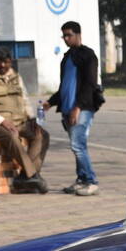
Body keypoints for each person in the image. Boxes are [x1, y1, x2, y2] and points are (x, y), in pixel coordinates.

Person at [0, 47, 48, 192]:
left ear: (10, 62)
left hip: (17, 121)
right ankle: (32, 175)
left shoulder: (15, 76)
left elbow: (24, 98)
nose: (2, 66)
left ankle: (25, 178)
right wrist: (2, 121)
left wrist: (32, 118)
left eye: (6, 62)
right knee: (11, 135)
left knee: (42, 135)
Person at [47, 20, 103, 195]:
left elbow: (90, 84)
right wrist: (51, 102)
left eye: (69, 35)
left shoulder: (88, 56)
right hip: (67, 108)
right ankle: (82, 179)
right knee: (77, 145)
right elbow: (65, 86)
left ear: (78, 35)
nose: (65, 38)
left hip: (82, 108)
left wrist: (77, 107)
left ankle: (91, 181)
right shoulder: (67, 58)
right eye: (64, 35)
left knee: (78, 145)